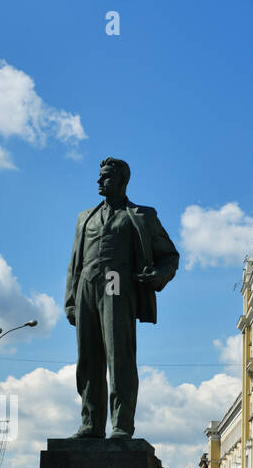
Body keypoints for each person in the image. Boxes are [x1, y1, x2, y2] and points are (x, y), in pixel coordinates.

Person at [64, 157, 179, 439]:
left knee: (119, 357)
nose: (99, 181)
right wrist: (70, 299)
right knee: (88, 360)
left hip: (117, 287)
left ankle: (121, 424)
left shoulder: (141, 215)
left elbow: (169, 256)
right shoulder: (84, 217)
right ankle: (91, 423)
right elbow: (74, 262)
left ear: (121, 181)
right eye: (99, 176)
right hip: (86, 289)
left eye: (105, 177)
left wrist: (157, 276)